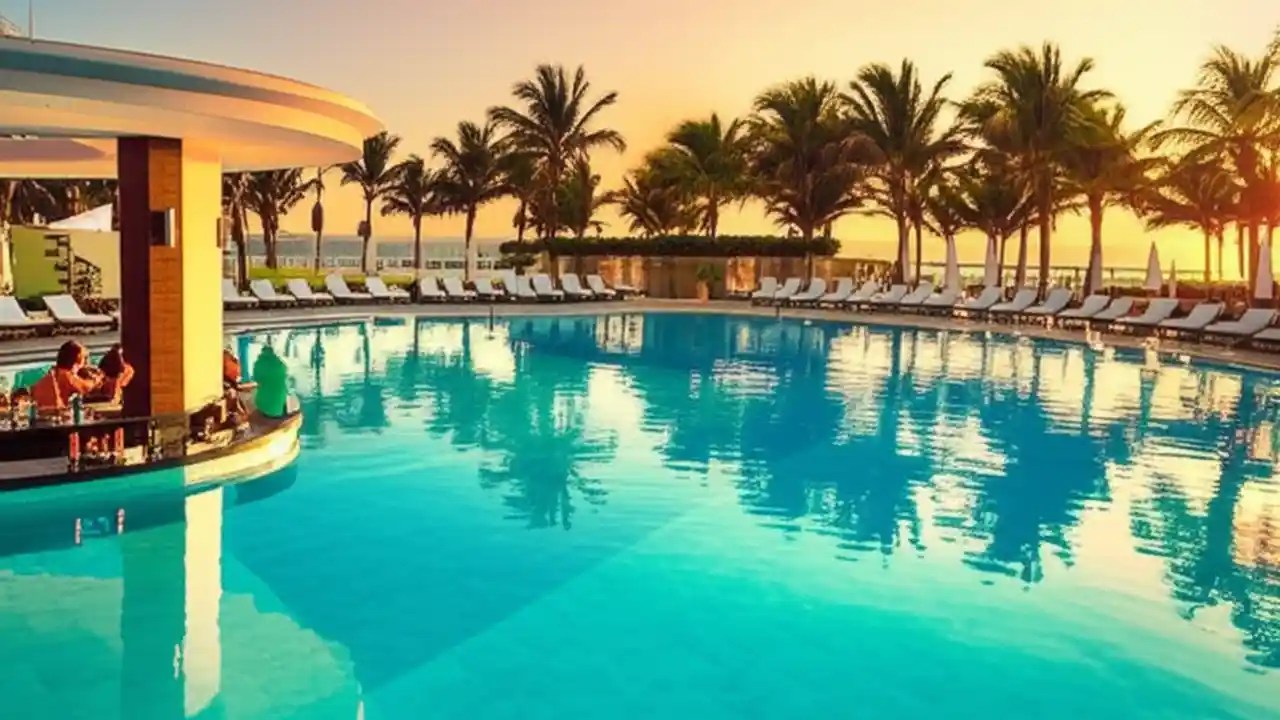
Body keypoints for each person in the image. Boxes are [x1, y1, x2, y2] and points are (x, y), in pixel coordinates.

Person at [30, 341, 101, 411]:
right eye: (84, 357)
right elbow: (85, 387)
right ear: (78, 359)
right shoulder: (65, 376)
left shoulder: (54, 374)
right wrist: (96, 380)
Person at [252, 345, 289, 418]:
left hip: (265, 404)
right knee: (281, 397)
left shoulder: (258, 363)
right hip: (280, 401)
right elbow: (286, 375)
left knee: (261, 397)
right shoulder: (280, 363)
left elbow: (256, 379)